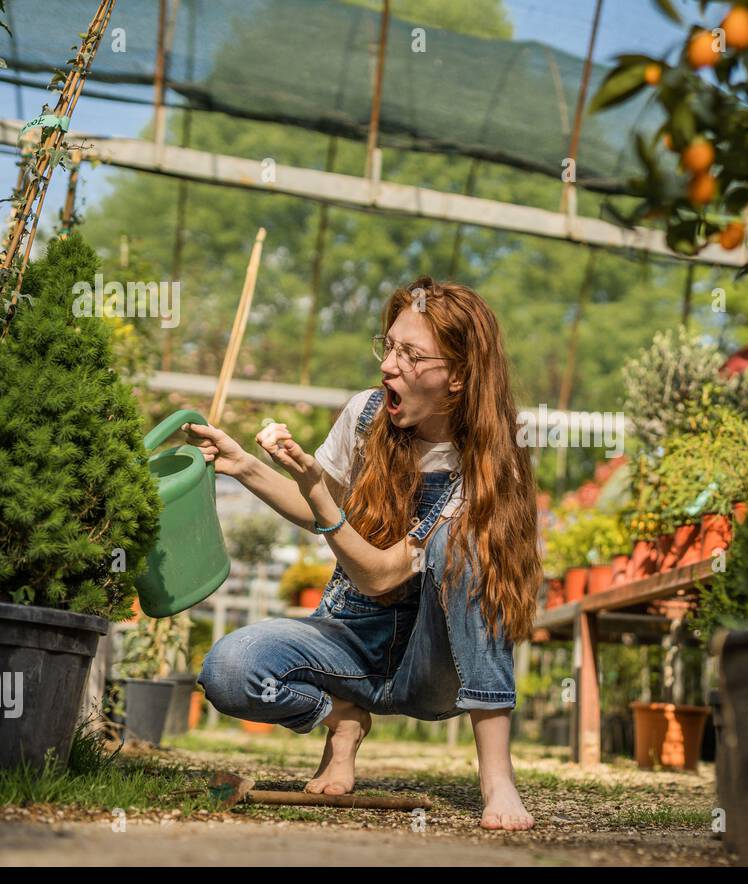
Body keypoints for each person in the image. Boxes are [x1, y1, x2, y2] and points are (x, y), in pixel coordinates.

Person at [189, 276, 539, 830]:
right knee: (229, 669)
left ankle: (497, 776)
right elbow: (320, 510)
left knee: (465, 544)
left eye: (411, 355)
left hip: (432, 663)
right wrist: (245, 466)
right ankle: (343, 719)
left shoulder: (492, 463)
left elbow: (379, 574)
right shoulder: (366, 414)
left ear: (459, 376)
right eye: (389, 347)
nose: (389, 366)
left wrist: (320, 497)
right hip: (347, 642)